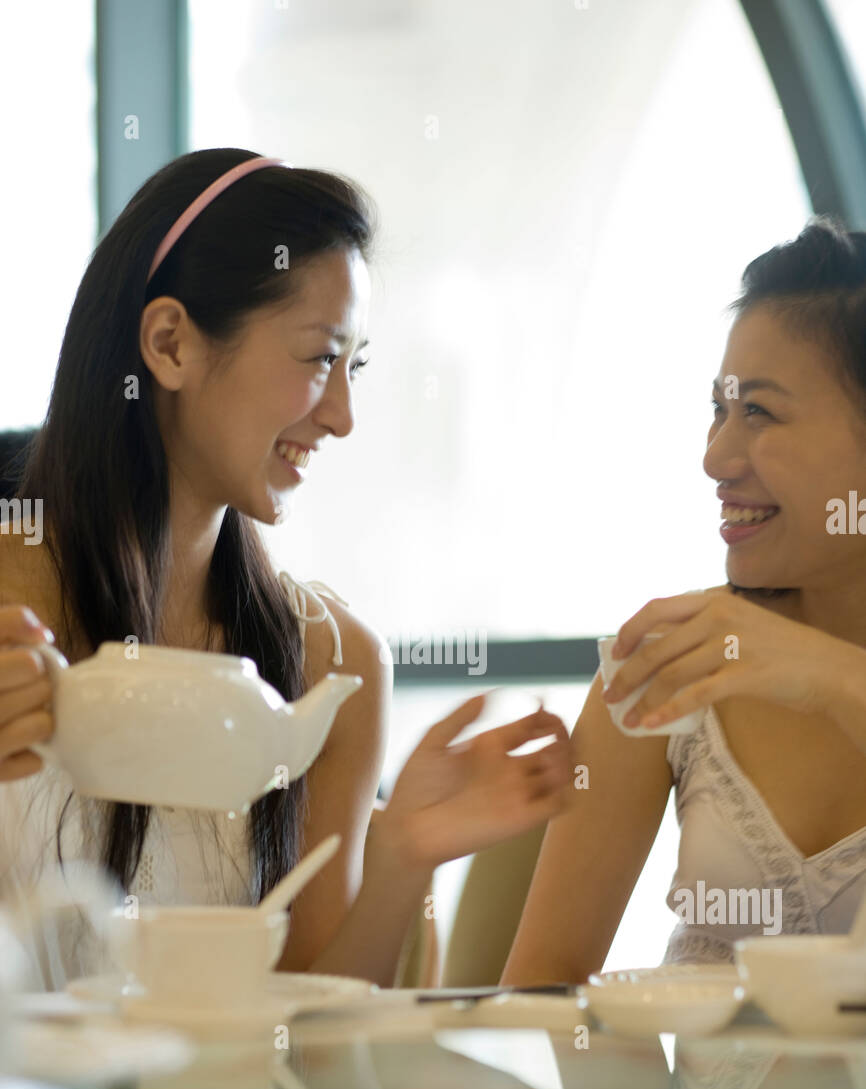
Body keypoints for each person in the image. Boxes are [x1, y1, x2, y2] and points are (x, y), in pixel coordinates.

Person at [0, 147, 571, 989]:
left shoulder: (334, 663)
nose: (341, 416)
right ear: (169, 344)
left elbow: (314, 1028)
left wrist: (403, 855)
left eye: (355, 367)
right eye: (317, 359)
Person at [504, 216, 866, 984]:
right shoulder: (676, 662)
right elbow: (541, 1004)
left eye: (760, 412)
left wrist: (834, 678)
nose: (715, 458)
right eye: (719, 410)